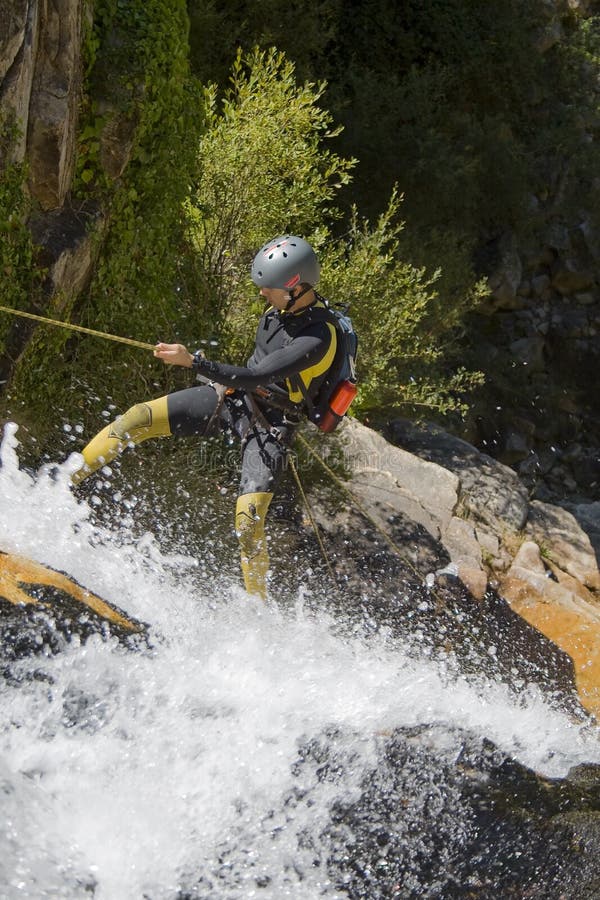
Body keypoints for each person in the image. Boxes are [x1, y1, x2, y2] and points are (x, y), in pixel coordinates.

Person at [71, 235, 337, 600]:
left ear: (297, 288)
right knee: (136, 419)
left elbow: (260, 376)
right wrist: (221, 380)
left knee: (247, 524)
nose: (262, 294)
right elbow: (251, 372)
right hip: (235, 398)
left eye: (269, 288)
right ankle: (61, 487)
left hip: (271, 428)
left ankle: (258, 612)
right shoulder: (281, 311)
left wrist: (195, 362)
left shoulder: (317, 338)